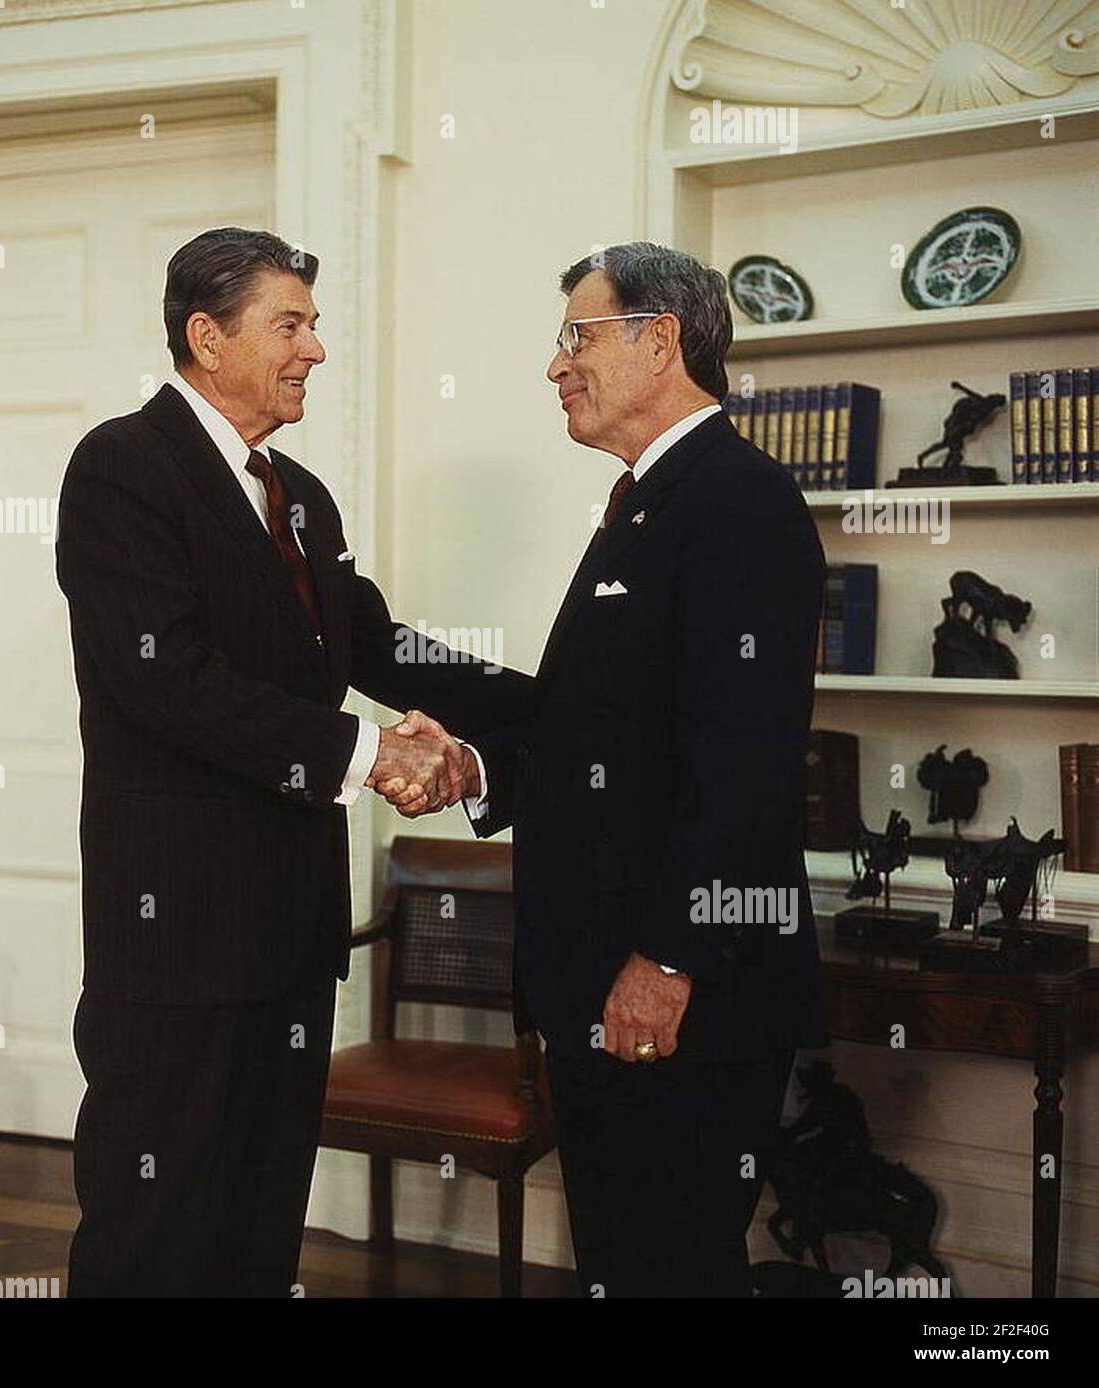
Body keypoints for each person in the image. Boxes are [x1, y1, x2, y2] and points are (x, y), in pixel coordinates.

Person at [55, 227, 533, 1296]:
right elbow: (165, 679)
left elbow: (381, 644)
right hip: (174, 937)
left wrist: (561, 710)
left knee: (258, 1222)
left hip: (289, 929)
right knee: (156, 1224)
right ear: (205, 335)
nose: (316, 347)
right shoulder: (122, 468)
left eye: (314, 324)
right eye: (291, 324)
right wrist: (376, 754)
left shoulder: (301, 494)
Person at [377, 242, 827, 1297]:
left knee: (669, 1263)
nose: (554, 366)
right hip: (606, 979)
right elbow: (594, 728)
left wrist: (665, 963)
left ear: (658, 339)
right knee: (626, 1261)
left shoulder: (737, 500)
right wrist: (472, 765)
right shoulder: (645, 501)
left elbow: (746, 760)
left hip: (679, 991)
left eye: (575, 337)